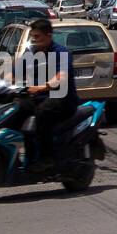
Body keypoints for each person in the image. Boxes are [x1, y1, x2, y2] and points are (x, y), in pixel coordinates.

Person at [18, 18, 78, 168]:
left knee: (42, 113)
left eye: (37, 36)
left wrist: (40, 87)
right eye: (32, 36)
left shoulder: (60, 52)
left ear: (49, 35)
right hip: (39, 97)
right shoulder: (30, 52)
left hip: (62, 99)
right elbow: (15, 73)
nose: (33, 39)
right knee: (17, 109)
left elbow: (60, 77)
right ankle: (27, 154)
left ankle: (47, 157)